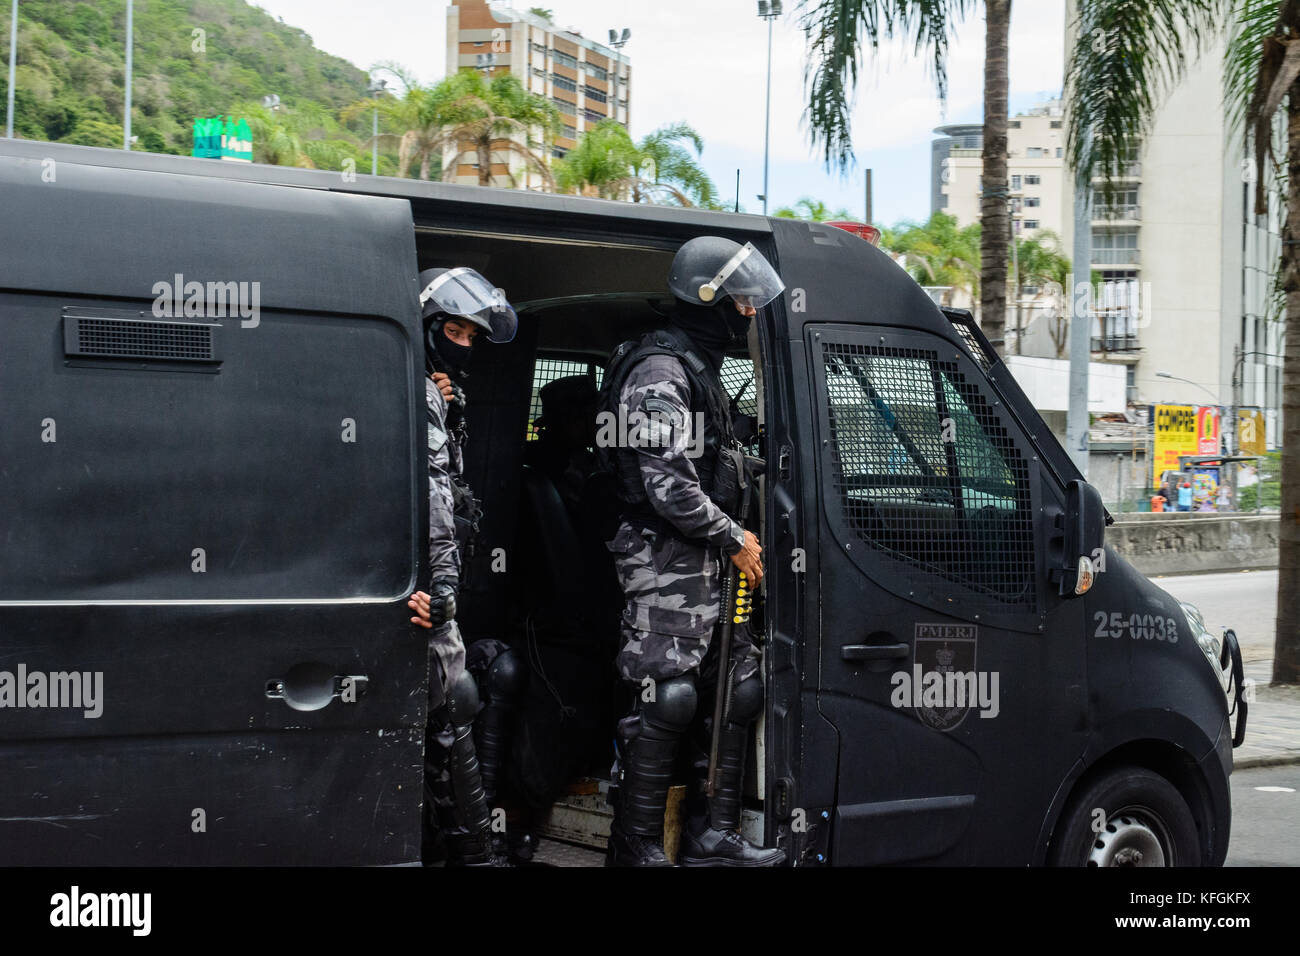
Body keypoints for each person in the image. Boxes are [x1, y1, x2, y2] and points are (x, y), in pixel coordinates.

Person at [600, 236, 787, 867]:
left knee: (737, 687)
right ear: (706, 300)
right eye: (737, 302)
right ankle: (638, 846)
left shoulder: (697, 369)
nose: (746, 313)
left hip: (704, 556)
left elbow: (716, 460)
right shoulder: (661, 371)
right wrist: (735, 538)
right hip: (665, 559)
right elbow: (666, 483)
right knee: (666, 696)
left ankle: (714, 836)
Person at [406, 266, 517, 866]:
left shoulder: (427, 388)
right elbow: (435, 501)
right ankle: (478, 856)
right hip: (424, 591)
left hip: (410, 583)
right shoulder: (416, 390)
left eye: (474, 337)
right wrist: (445, 587)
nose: (465, 344)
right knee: (456, 703)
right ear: (426, 327)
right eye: (455, 330)